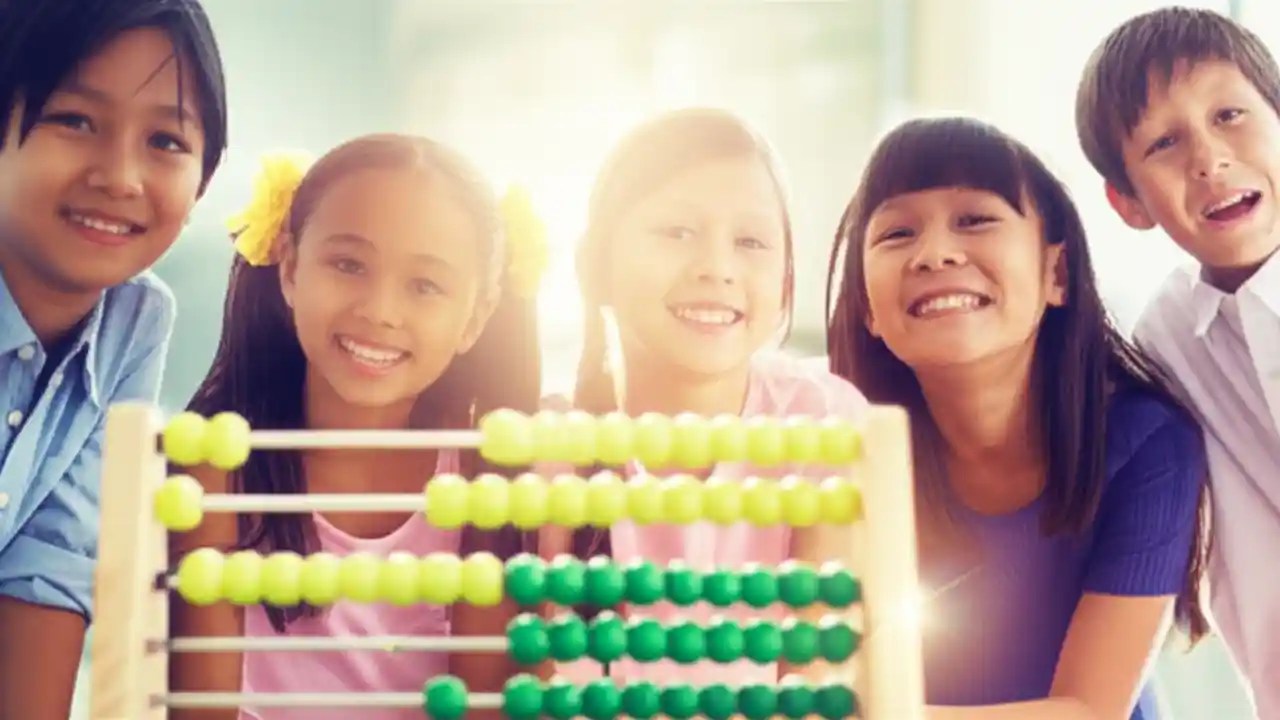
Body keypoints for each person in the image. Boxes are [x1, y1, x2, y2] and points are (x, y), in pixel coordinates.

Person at [826, 116, 1209, 720]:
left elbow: (1086, 709)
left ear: (1056, 273)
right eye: (897, 232)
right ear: (866, 309)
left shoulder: (1150, 444)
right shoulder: (830, 446)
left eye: (975, 219)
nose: (935, 253)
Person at [170, 134, 542, 720]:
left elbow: (483, 708)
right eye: (349, 264)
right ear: (290, 269)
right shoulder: (219, 469)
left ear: (475, 318)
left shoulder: (484, 479)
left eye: (425, 285)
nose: (379, 311)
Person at [542, 107, 869, 689]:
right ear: (595, 266)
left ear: (787, 279)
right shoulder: (550, 446)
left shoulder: (821, 423)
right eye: (677, 232)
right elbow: (538, 681)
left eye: (751, 241)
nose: (717, 268)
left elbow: (817, 683)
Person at [0, 0, 227, 716]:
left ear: (203, 181)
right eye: (75, 120)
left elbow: (49, 567)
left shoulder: (135, 318)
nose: (122, 177)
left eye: (166, 140)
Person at [1076, 8, 1280, 715]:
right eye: (1164, 142)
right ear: (1129, 202)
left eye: (1230, 114)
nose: (1208, 157)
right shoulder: (1167, 339)